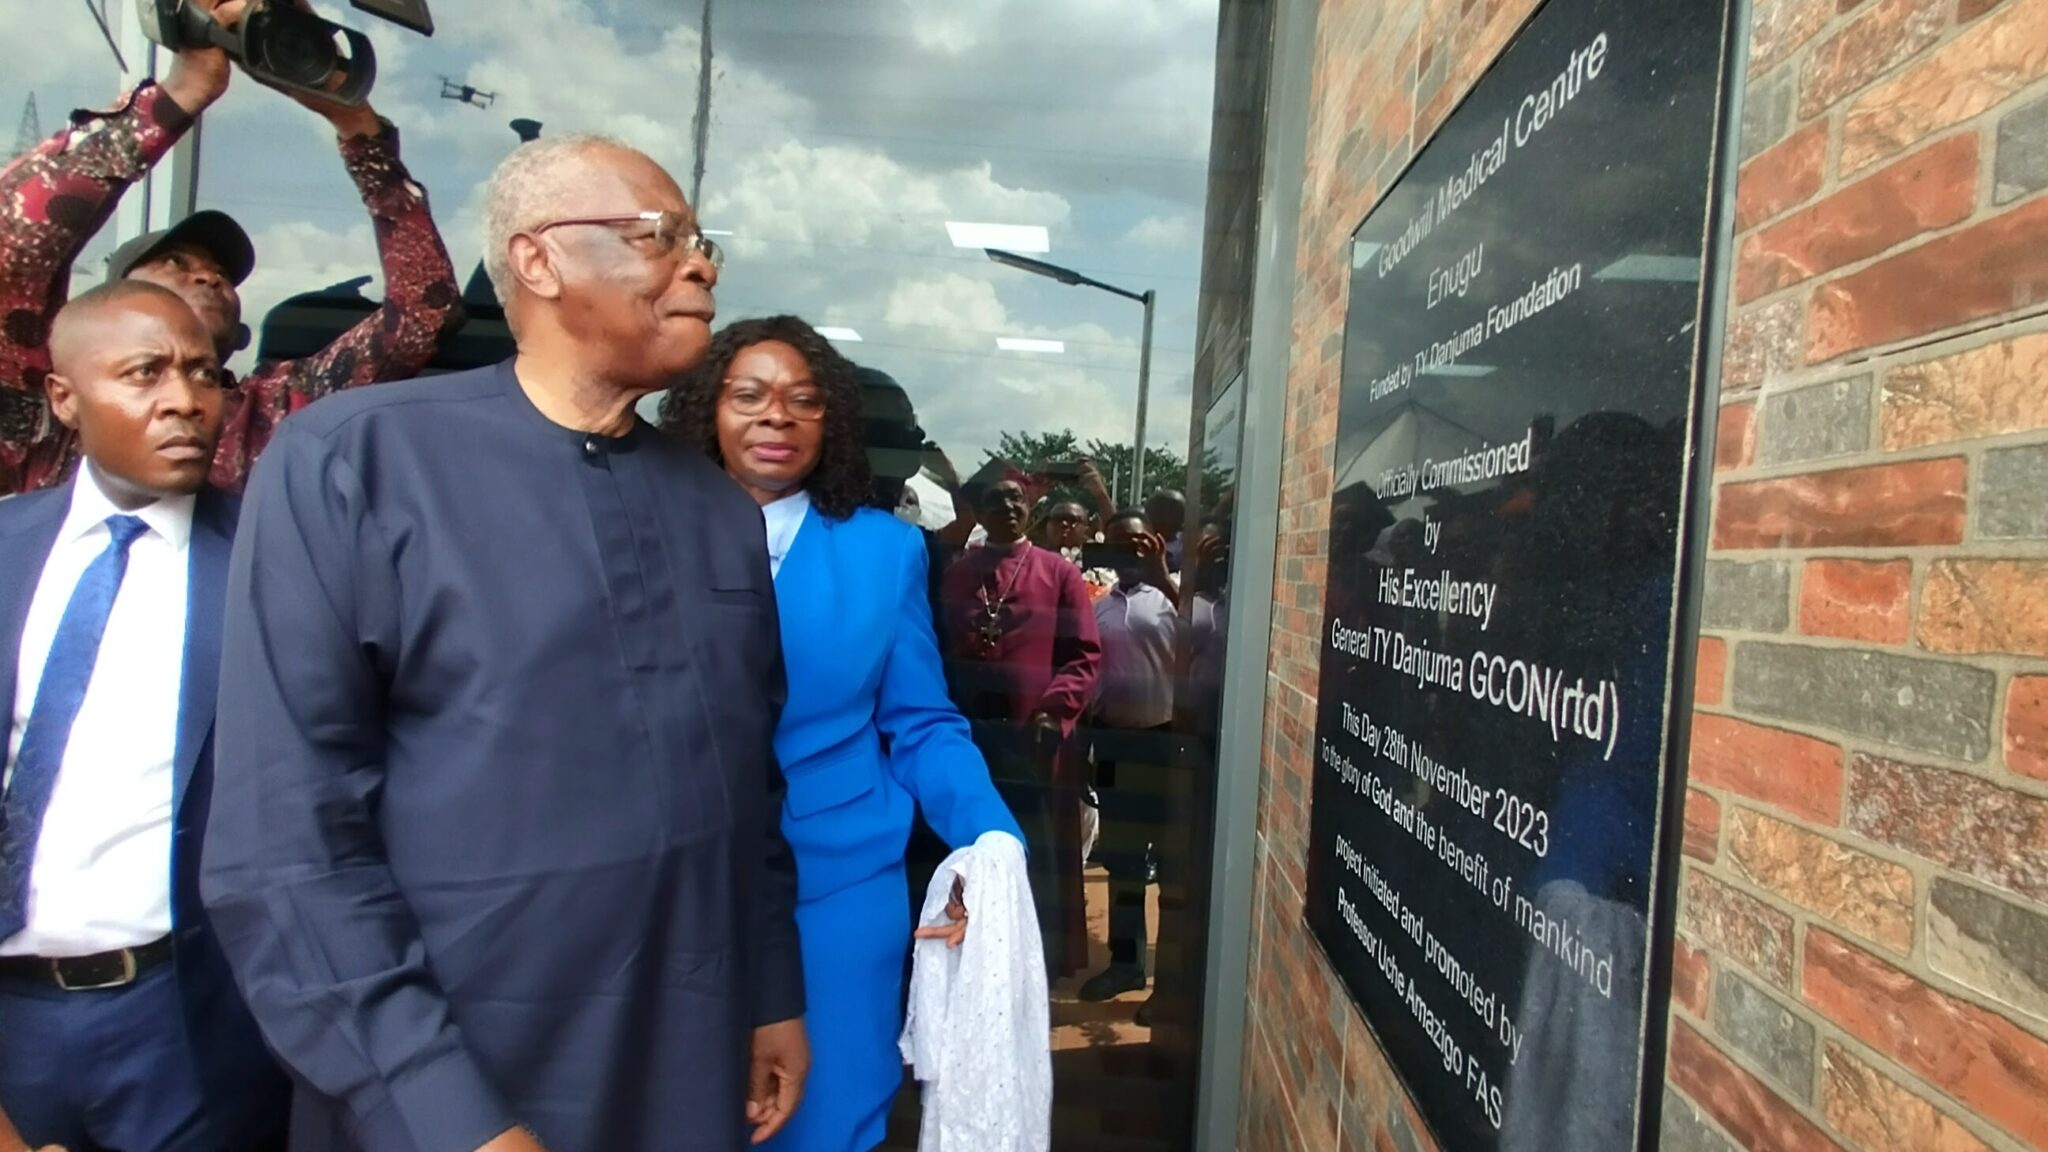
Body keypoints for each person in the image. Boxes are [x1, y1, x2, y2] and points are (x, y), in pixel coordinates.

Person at [202, 135, 806, 1152]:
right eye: (659, 236)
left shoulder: (718, 512)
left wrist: (768, 988)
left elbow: (745, 788)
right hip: (452, 1078)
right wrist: (443, 1110)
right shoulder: (356, 461)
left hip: (684, 1063)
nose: (699, 264)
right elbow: (285, 845)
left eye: (701, 243)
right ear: (538, 260)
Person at [661, 315, 1025, 1152]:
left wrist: (988, 839)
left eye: (803, 401)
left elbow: (922, 721)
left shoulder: (883, 551)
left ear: (835, 425)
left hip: (835, 884)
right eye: (748, 395)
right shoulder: (639, 532)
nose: (775, 417)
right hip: (670, 888)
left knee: (822, 1122)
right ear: (706, 411)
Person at [0, 282, 285, 1152]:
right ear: (64, 398)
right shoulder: (6, 547)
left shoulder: (268, 566)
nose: (185, 401)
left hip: (184, 1028)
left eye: (205, 374)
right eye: (146, 373)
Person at [0, 0, 463, 496]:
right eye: (175, 264)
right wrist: (182, 92)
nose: (209, 277)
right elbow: (14, 246)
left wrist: (355, 123)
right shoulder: (48, 424)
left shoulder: (267, 414)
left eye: (221, 273)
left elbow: (421, 316)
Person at [940, 477, 1102, 977]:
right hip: (969, 735)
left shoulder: (1058, 573)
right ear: (979, 512)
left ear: (1029, 508)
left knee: (1038, 847)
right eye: (994, 498)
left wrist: (1055, 709)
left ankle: (1037, 959)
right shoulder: (957, 575)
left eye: (1015, 498)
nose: (1006, 506)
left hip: (1034, 737)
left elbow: (1085, 656)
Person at [1078, 511, 1182, 1005]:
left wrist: (1163, 573)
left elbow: (1206, 642)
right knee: (1122, 861)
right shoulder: (1098, 605)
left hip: (1166, 742)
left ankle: (1171, 986)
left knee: (1171, 863)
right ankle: (1126, 965)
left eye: (1138, 543)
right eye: (1119, 544)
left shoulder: (1174, 593)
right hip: (1115, 742)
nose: (1130, 553)